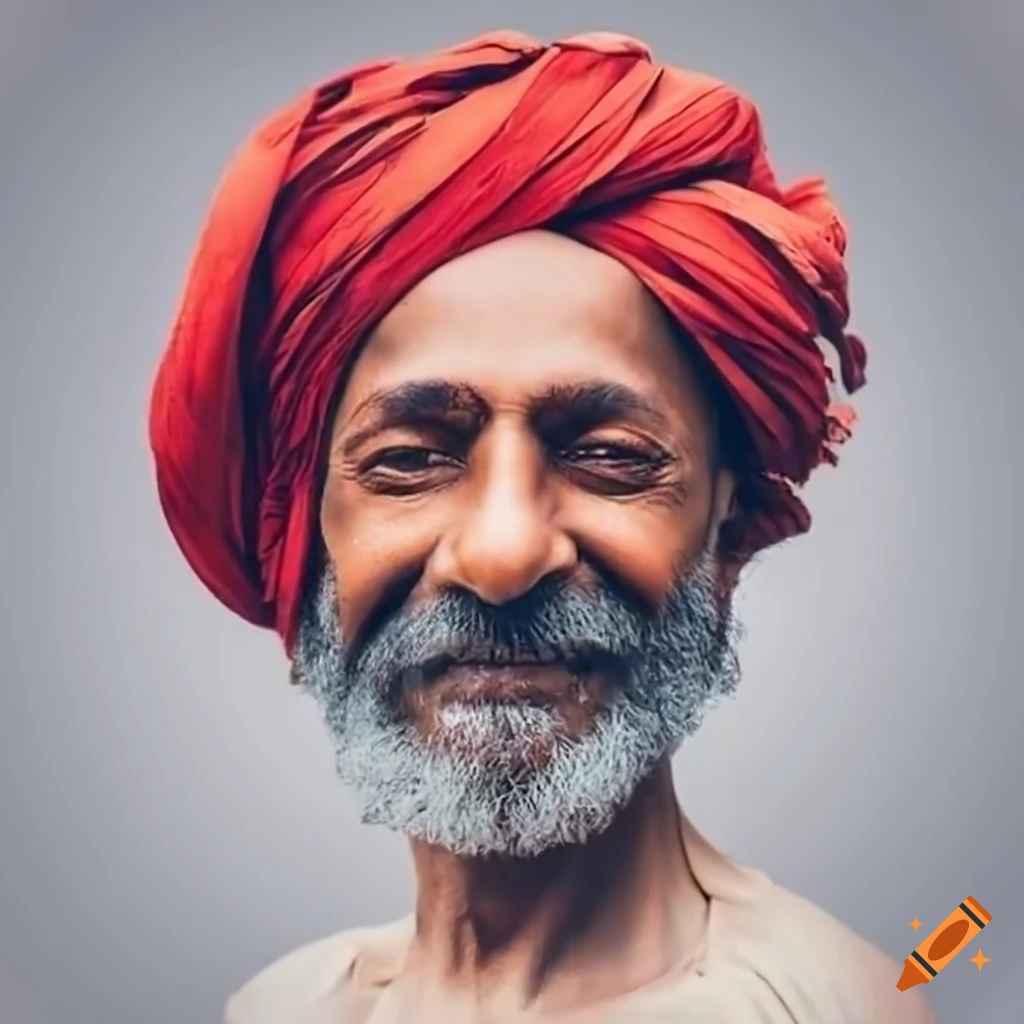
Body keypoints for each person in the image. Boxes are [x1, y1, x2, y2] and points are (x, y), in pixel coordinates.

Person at [149, 30, 934, 1024]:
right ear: (303, 542)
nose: (503, 554)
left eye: (608, 456)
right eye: (408, 462)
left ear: (725, 533)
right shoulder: (281, 1007)